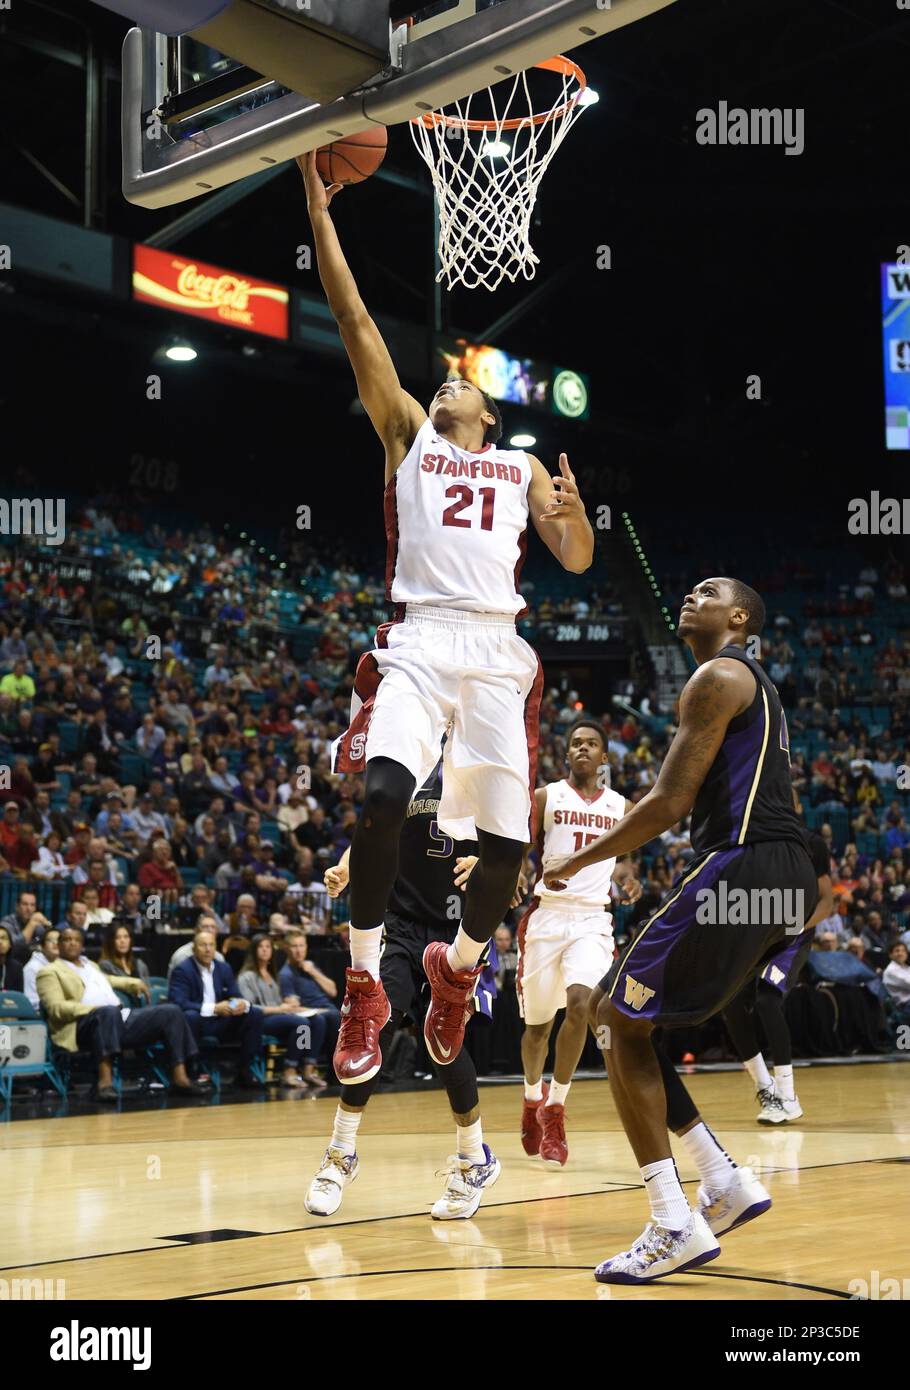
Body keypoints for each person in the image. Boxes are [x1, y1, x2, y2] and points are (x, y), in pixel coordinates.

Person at [298, 149, 594, 1088]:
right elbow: (351, 319)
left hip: (497, 651)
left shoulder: (522, 466)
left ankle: (457, 973)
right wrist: (319, 210)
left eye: (458, 386)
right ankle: (362, 983)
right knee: (385, 799)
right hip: (422, 639)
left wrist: (577, 514)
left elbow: (579, 559)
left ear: (489, 419)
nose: (444, 387)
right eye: (440, 385)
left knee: (507, 849)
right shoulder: (408, 439)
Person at [542, 578, 818, 1283]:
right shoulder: (755, 685)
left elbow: (668, 802)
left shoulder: (718, 674)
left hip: (744, 862)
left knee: (608, 1016)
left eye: (710, 590)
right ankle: (720, 1178)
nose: (692, 594)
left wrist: (577, 857)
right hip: (784, 879)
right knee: (633, 1022)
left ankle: (672, 1221)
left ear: (739, 617)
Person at [304, 763, 502, 1219]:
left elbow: (512, 857)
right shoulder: (408, 766)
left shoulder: (485, 772)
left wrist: (487, 866)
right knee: (376, 1024)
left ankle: (474, 1159)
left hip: (459, 930)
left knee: (444, 1047)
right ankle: (340, 1154)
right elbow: (371, 830)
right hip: (400, 922)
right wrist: (344, 867)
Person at [517, 720, 641, 1166]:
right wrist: (516, 871)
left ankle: (556, 1109)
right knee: (536, 1030)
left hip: (592, 920)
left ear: (604, 757)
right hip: (547, 917)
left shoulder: (622, 806)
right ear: (566, 755)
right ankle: (533, 1097)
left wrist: (629, 881)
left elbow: (626, 864)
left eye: (591, 744)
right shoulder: (547, 797)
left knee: (581, 1005)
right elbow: (522, 848)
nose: (583, 749)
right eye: (575, 744)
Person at [721, 793, 834, 1124]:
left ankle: (788, 1094)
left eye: (788, 799)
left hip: (793, 934)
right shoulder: (755, 844)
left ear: (797, 806)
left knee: (768, 1001)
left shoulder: (811, 844)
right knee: (730, 1004)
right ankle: (765, 1089)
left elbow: (827, 902)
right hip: (759, 932)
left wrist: (795, 923)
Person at [37, 925, 207, 1100]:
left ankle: (180, 1078)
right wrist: (93, 1009)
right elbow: (55, 1008)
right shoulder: (49, 972)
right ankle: (104, 1083)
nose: (72, 943)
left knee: (171, 1011)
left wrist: (132, 983)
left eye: (76, 940)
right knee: (108, 1013)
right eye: (67, 940)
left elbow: (109, 980)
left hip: (116, 1017)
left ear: (82, 944)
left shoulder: (90, 965)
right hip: (82, 1025)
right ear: (59, 944)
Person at [168, 926, 265, 1089]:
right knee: (190, 1016)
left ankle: (244, 1069)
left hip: (222, 1021)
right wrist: (213, 1008)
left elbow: (235, 995)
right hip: (197, 1023)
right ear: (194, 949)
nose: (207, 949)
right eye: (203, 945)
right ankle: (192, 1072)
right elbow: (179, 1002)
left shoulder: (223, 968)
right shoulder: (183, 969)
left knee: (254, 1013)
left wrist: (238, 1005)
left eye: (211, 945)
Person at [237, 933, 311, 1089]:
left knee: (310, 1022)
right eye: (261, 947)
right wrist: (280, 1008)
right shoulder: (246, 976)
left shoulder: (272, 975)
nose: (265, 950)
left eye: (268, 947)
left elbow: (279, 1002)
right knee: (302, 1025)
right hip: (259, 1021)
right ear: (253, 950)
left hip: (278, 1017)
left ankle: (302, 1067)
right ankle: (289, 1069)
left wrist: (289, 1003)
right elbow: (249, 1008)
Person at [277, 930, 339, 1087]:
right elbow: (292, 1006)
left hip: (328, 1010)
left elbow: (333, 991)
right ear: (287, 948)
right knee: (328, 1018)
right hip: (312, 1013)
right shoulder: (286, 974)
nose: (298, 950)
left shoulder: (311, 967)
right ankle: (319, 1070)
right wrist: (319, 1011)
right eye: (294, 946)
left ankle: (338, 1069)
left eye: (301, 946)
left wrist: (313, 971)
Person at [98, 922, 151, 987]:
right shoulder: (106, 965)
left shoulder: (140, 964)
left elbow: (147, 989)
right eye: (117, 938)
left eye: (126, 937)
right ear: (111, 942)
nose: (122, 941)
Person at [23, 925, 61, 1008]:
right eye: (50, 940)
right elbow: (31, 1001)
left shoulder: (66, 964)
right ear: (42, 946)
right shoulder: (32, 968)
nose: (55, 943)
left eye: (59, 940)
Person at [0, 924, 24, 991]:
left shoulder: (16, 968)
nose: (0, 942)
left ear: (10, 944)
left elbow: (18, 997)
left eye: (3, 938)